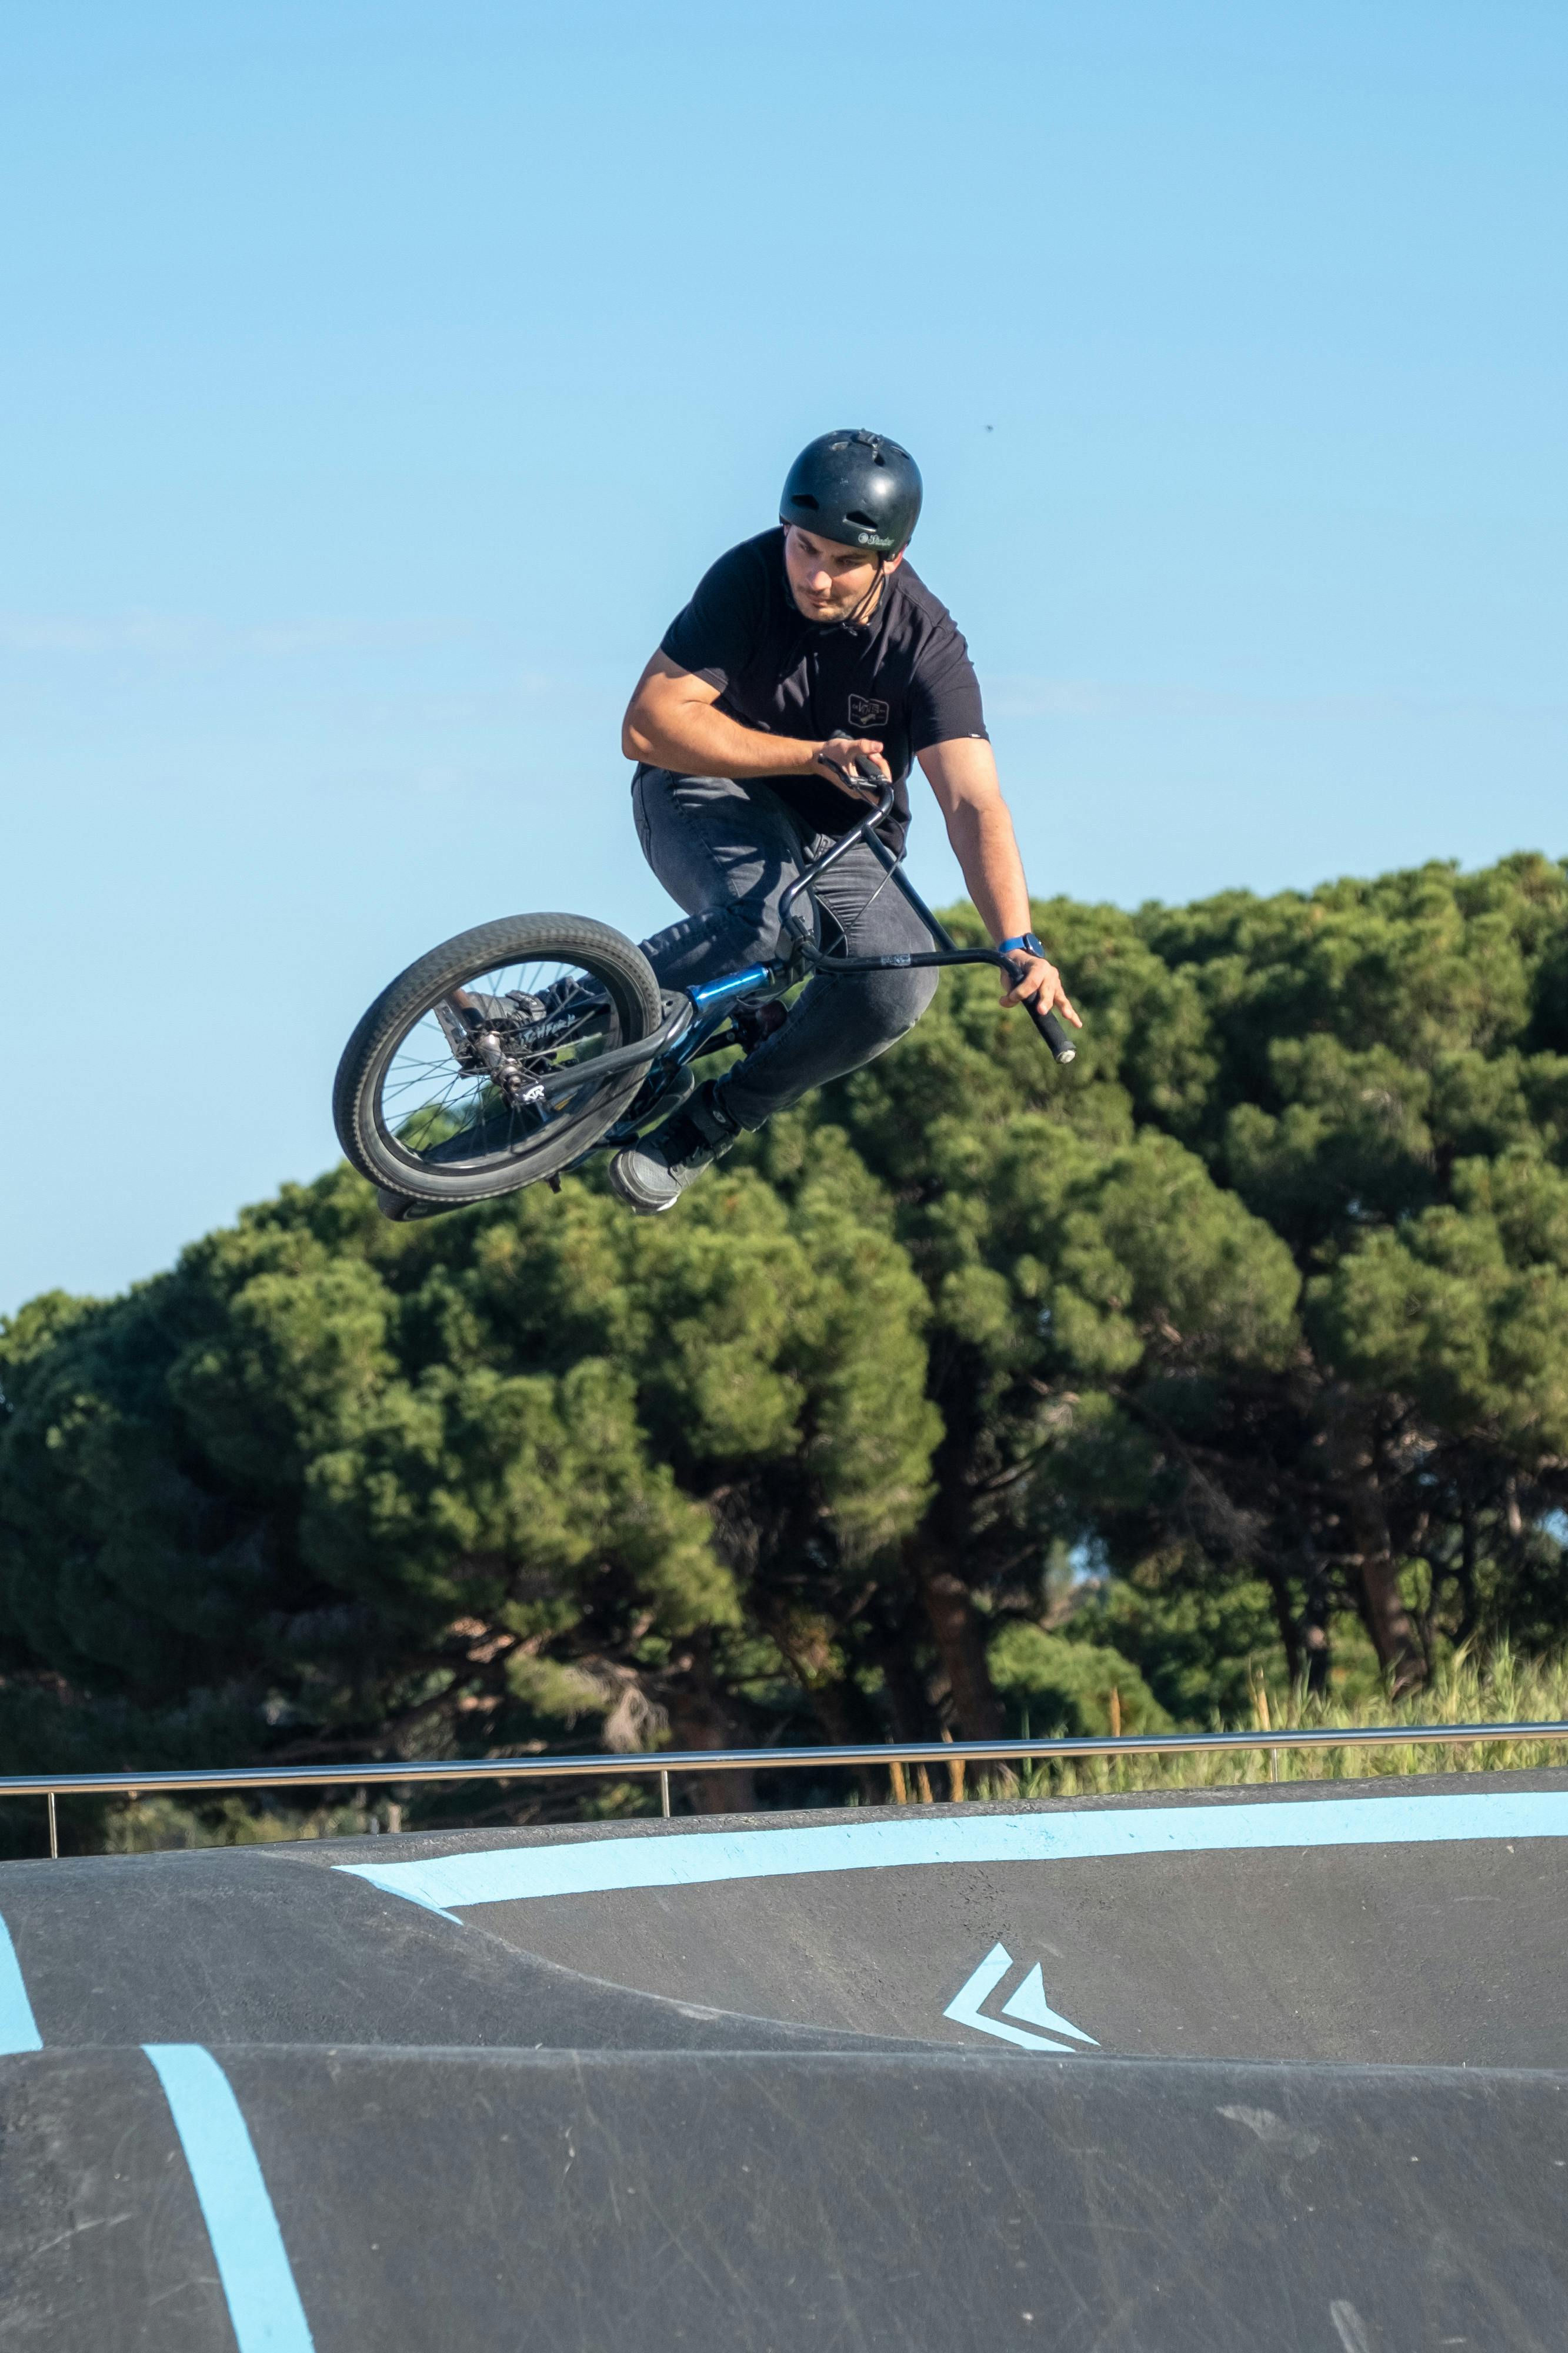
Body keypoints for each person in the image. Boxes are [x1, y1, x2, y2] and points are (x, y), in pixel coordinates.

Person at [609, 427, 1079, 1215]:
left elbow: (972, 802)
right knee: (765, 923)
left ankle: (708, 1122)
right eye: (804, 548)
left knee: (899, 985)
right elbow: (647, 726)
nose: (816, 577)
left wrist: (1017, 942)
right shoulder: (748, 578)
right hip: (705, 789)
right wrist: (808, 755)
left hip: (840, 837)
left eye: (844, 562)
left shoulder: (926, 645)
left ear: (890, 560)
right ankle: (537, 1017)